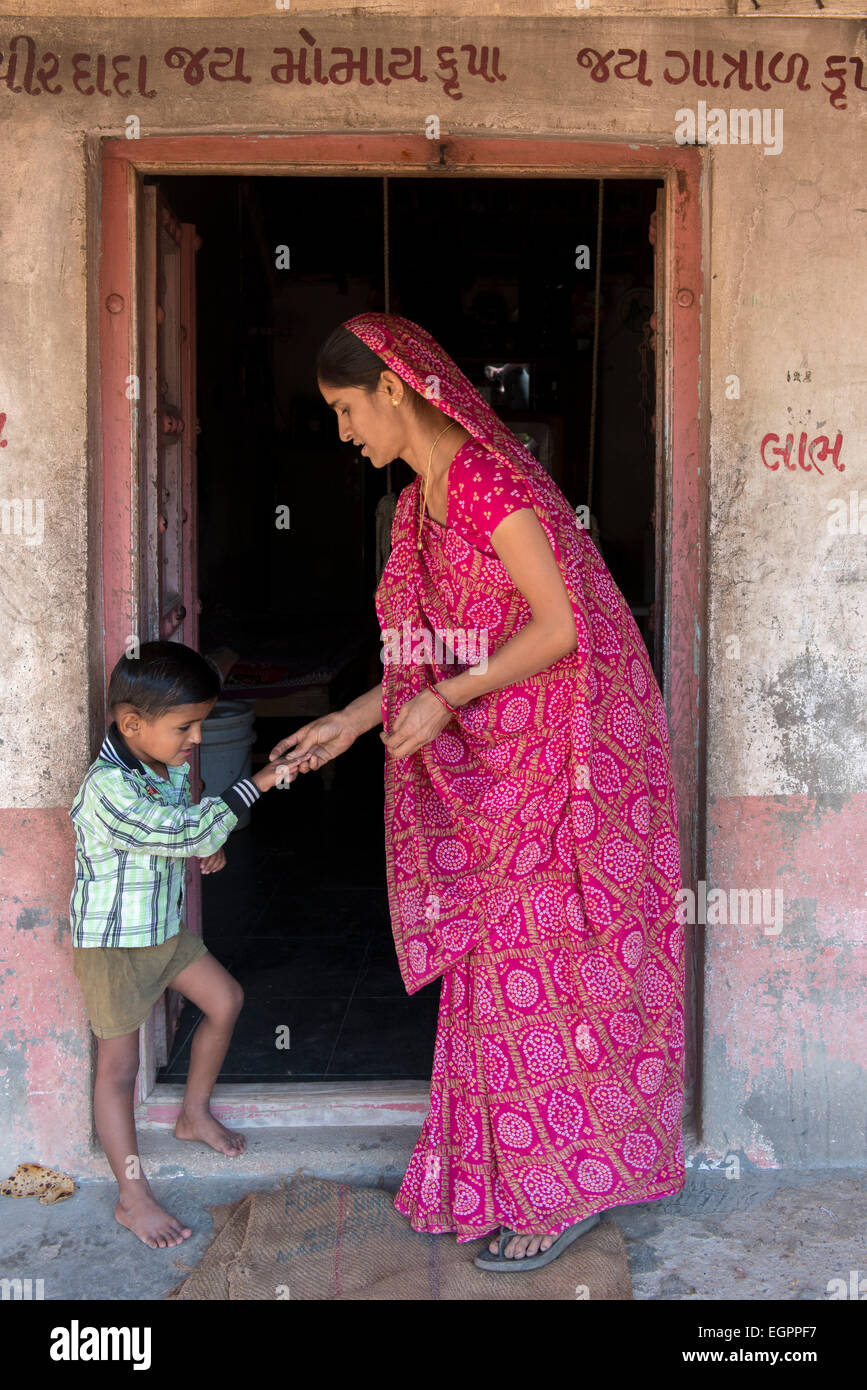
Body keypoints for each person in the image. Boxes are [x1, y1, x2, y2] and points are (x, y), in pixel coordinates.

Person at [271, 313, 685, 1271]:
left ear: (393, 390)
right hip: (506, 768)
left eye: (344, 409)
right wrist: (352, 721)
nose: (342, 433)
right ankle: (502, 1174)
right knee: (500, 980)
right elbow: (434, 654)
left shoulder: (490, 483)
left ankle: (569, 1187)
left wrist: (448, 701)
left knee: (553, 977)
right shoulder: (422, 502)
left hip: (570, 765)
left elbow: (559, 629)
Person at [69, 641, 294, 1249]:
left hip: (164, 933)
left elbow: (183, 827)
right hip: (114, 948)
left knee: (225, 1000)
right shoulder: (106, 790)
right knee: (119, 1071)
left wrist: (203, 844)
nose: (194, 739)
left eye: (198, 725)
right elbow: (180, 828)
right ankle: (131, 1195)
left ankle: (193, 1115)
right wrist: (261, 783)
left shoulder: (161, 769)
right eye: (185, 727)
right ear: (131, 723)